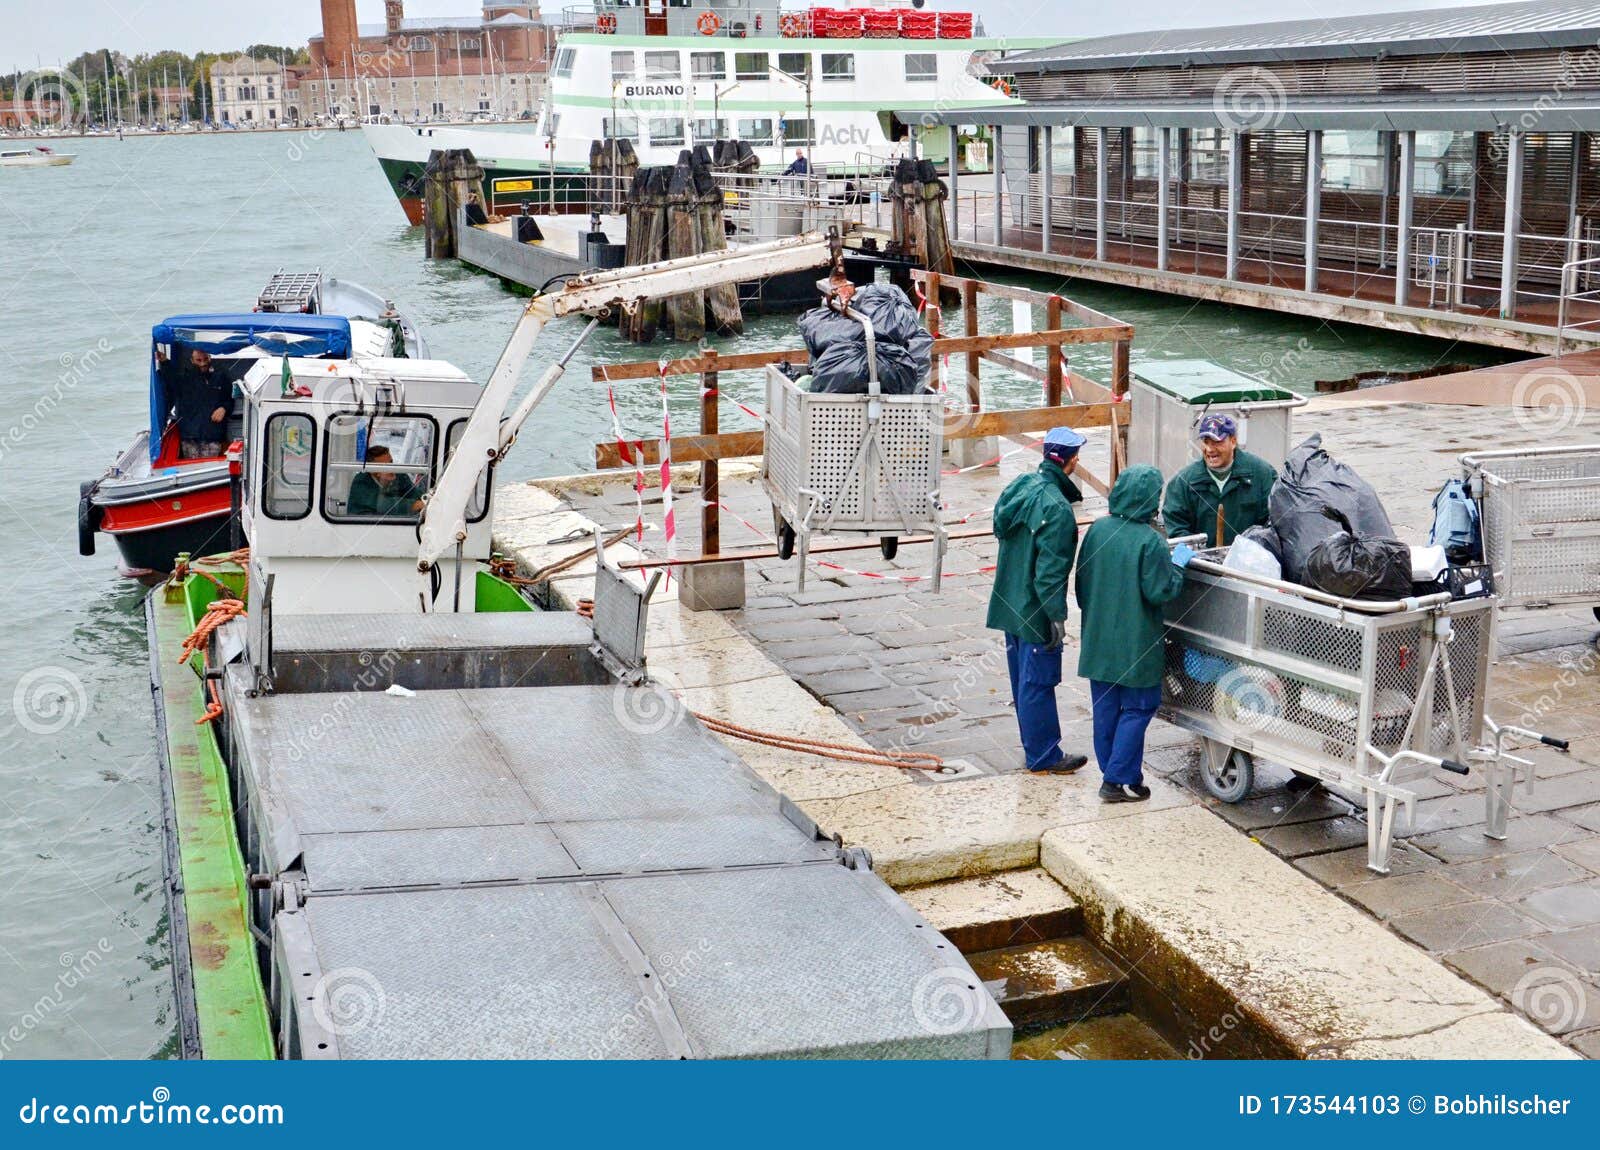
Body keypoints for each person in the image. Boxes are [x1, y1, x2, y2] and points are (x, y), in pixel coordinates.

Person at [1076, 464, 1191, 802]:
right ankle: (1115, 780)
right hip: (1136, 644)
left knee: (1106, 709)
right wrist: (1179, 565)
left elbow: (1082, 585)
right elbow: (1161, 592)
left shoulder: (1097, 530)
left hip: (1098, 642)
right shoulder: (1150, 541)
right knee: (1140, 708)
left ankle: (1122, 773)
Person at [985, 427, 1091, 775]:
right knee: (1039, 682)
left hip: (1008, 601)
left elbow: (999, 525)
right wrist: (1056, 618)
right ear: (1072, 460)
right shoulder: (1058, 509)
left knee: (1022, 680)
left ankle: (1034, 745)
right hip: (1034, 609)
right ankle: (1044, 755)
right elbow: (1049, 575)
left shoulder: (1019, 485)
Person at [1161, 413, 1277, 548]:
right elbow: (1177, 527)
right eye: (1206, 442)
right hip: (1200, 565)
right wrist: (1192, 552)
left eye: (1217, 442)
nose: (1210, 449)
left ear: (1233, 442)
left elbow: (1275, 522)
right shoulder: (1182, 483)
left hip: (1249, 563)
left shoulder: (1263, 475)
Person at [161, 347, 233, 459]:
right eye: (199, 360)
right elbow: (170, 378)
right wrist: (164, 362)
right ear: (192, 360)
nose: (203, 363)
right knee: (192, 467)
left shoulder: (221, 377)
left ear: (210, 357)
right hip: (190, 436)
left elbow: (229, 400)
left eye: (205, 359)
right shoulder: (184, 379)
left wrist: (223, 408)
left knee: (210, 468)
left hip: (213, 435)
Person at [347, 445, 427, 518]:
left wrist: (428, 500)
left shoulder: (400, 476)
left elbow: (416, 494)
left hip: (395, 524)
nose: (391, 468)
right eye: (385, 465)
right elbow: (383, 504)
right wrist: (413, 505)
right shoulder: (360, 483)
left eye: (391, 462)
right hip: (362, 526)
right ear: (372, 471)